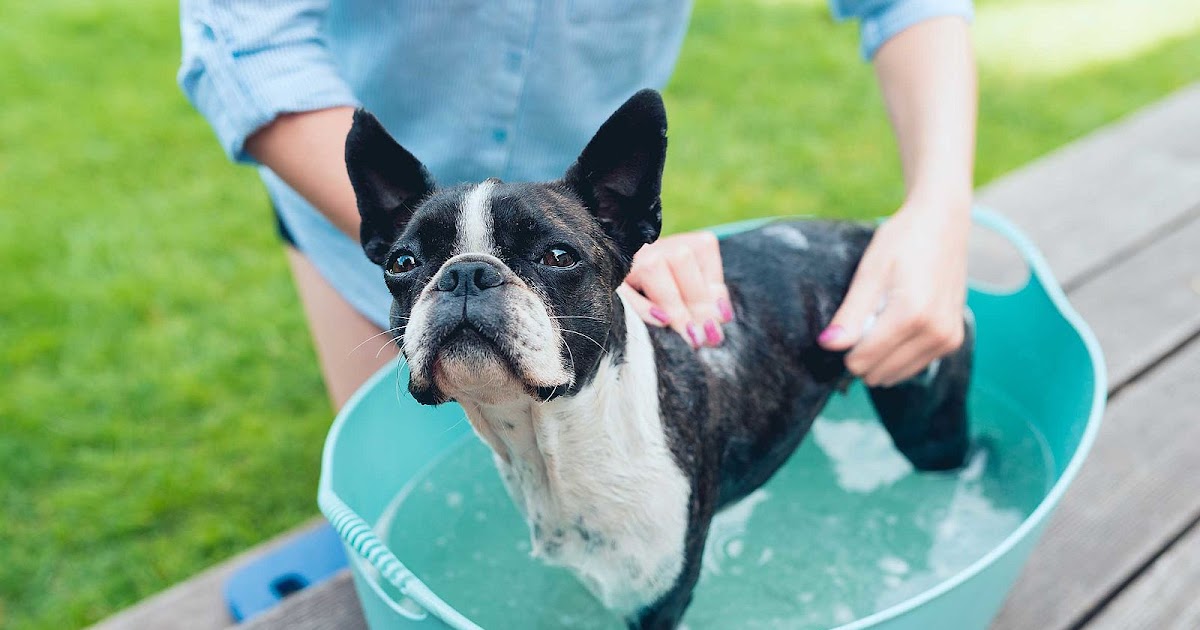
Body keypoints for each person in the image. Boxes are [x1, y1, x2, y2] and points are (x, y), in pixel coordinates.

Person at [178, 1, 975, 410]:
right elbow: (250, 42)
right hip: (359, 201)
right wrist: (413, 250)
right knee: (435, 509)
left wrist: (941, 207)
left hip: (589, 224)